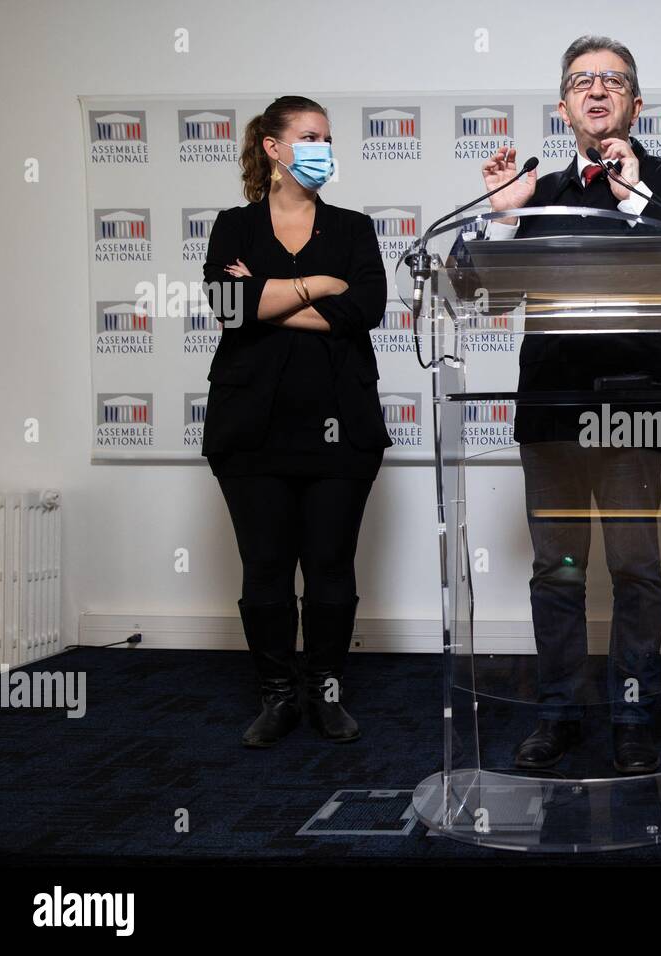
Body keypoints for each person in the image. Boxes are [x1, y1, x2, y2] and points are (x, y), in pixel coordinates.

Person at [478, 35, 661, 775]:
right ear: (562, 107)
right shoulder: (538, 191)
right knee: (557, 572)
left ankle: (632, 712)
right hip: (550, 409)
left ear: (636, 103)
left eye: (613, 80)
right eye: (581, 81)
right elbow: (490, 300)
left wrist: (636, 197)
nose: (597, 90)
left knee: (637, 569)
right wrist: (500, 218)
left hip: (633, 406)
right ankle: (557, 713)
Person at [202, 95, 392, 748]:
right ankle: (277, 697)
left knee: (331, 565)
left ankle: (326, 695)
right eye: (310, 136)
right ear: (274, 148)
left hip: (342, 427)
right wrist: (320, 284)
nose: (322, 148)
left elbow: (365, 307)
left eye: (328, 138)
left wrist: (271, 296)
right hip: (249, 430)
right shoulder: (233, 226)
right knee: (265, 567)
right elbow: (231, 306)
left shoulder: (353, 229)